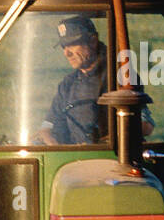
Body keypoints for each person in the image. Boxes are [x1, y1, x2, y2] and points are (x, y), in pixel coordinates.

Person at [32, 16, 153, 146]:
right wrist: (54, 147)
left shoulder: (120, 76)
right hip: (72, 159)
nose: (67, 53)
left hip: (109, 158)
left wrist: (102, 143)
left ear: (93, 41)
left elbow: (145, 125)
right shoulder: (68, 84)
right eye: (63, 46)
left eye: (72, 44)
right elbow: (47, 127)